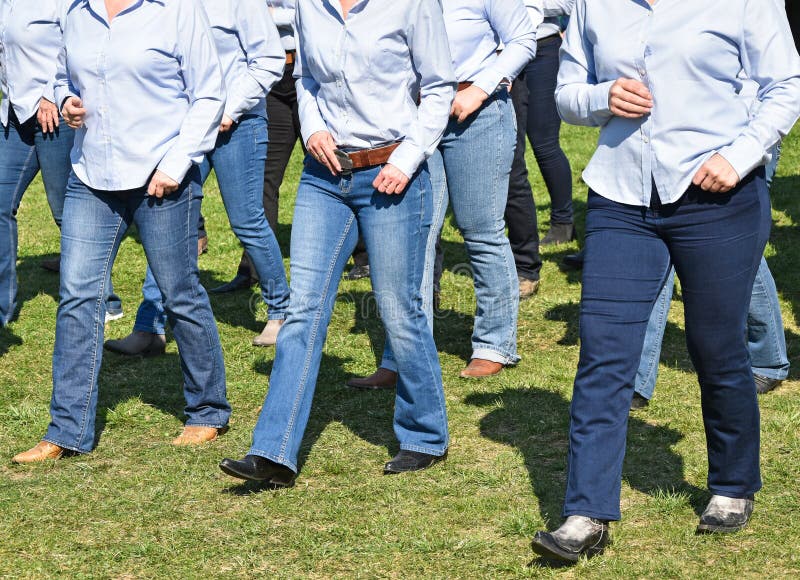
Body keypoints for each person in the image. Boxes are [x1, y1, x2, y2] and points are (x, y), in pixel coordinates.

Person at [530, 0, 800, 563]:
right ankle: (585, 513)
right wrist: (603, 98)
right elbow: (566, 94)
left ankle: (732, 484)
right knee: (603, 352)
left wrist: (741, 155)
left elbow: (785, 85)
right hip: (621, 197)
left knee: (716, 346)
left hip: (719, 194)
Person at [218, 0, 455, 485]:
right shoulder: (309, 5)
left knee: (398, 309)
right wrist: (313, 129)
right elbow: (305, 78)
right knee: (302, 310)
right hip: (323, 178)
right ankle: (274, 453)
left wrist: (407, 159)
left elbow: (439, 89)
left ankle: (425, 436)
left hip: (393, 175)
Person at [12, 0, 231, 463]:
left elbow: (209, 95)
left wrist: (176, 165)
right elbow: (61, 76)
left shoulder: (176, 10)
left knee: (179, 292)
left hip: (162, 173)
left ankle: (207, 410)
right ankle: (67, 430)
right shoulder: (76, 11)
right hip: (92, 175)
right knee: (77, 296)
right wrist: (67, 101)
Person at [345, 0, 537, 389]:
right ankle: (402, 355)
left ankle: (493, 344)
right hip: (414, 120)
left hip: (478, 114)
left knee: (480, 228)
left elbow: (523, 39)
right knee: (414, 233)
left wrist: (479, 89)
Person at [103, 0, 291, 355]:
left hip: (239, 123)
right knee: (165, 217)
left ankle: (282, 312)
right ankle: (150, 327)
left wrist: (229, 109)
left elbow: (268, 60)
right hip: (186, 125)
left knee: (247, 220)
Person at [211, 0, 300, 295]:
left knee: (330, 171)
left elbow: (321, 14)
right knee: (263, 180)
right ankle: (252, 270)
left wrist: (273, 15)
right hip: (269, 80)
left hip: (309, 73)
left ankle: (363, 255)